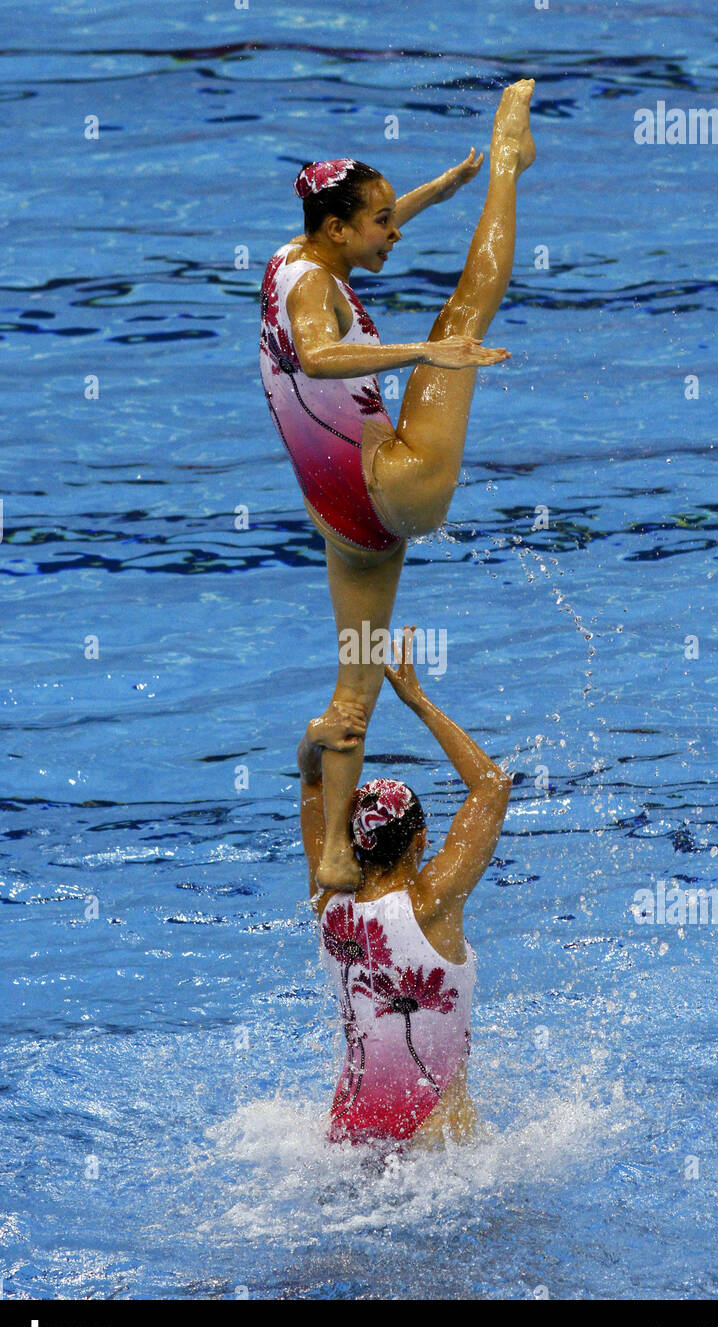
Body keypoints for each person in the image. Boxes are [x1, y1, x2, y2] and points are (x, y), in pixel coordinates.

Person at [261, 79, 536, 893]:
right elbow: (315, 354)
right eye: (382, 221)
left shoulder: (290, 259)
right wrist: (424, 354)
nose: (393, 234)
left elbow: (350, 251)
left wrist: (436, 191)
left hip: (343, 518)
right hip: (395, 486)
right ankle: (511, 166)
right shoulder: (315, 290)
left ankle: (339, 852)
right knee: (462, 317)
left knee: (356, 684)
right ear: (339, 228)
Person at [297, 627, 513, 1149]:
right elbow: (492, 785)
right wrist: (417, 700)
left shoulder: (328, 901)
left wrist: (313, 737)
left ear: (347, 840)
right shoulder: (432, 902)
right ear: (420, 840)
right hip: (432, 1142)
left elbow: (312, 781)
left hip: (346, 1132)